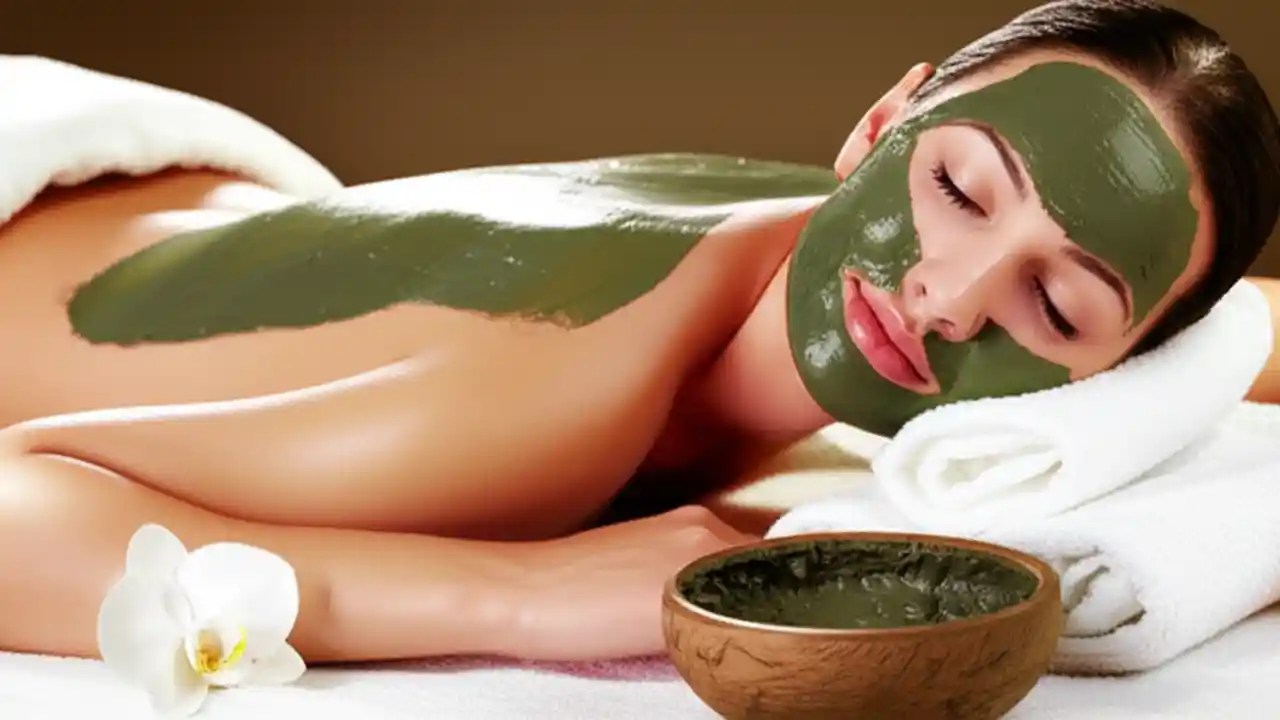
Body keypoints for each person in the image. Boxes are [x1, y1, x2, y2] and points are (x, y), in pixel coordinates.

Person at [1, 0, 1278, 663]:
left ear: (1125, 368)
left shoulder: (763, 227)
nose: (946, 298)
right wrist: (521, 599)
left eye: (1055, 307)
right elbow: (18, 508)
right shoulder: (548, 391)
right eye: (957, 189)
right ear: (883, 121)